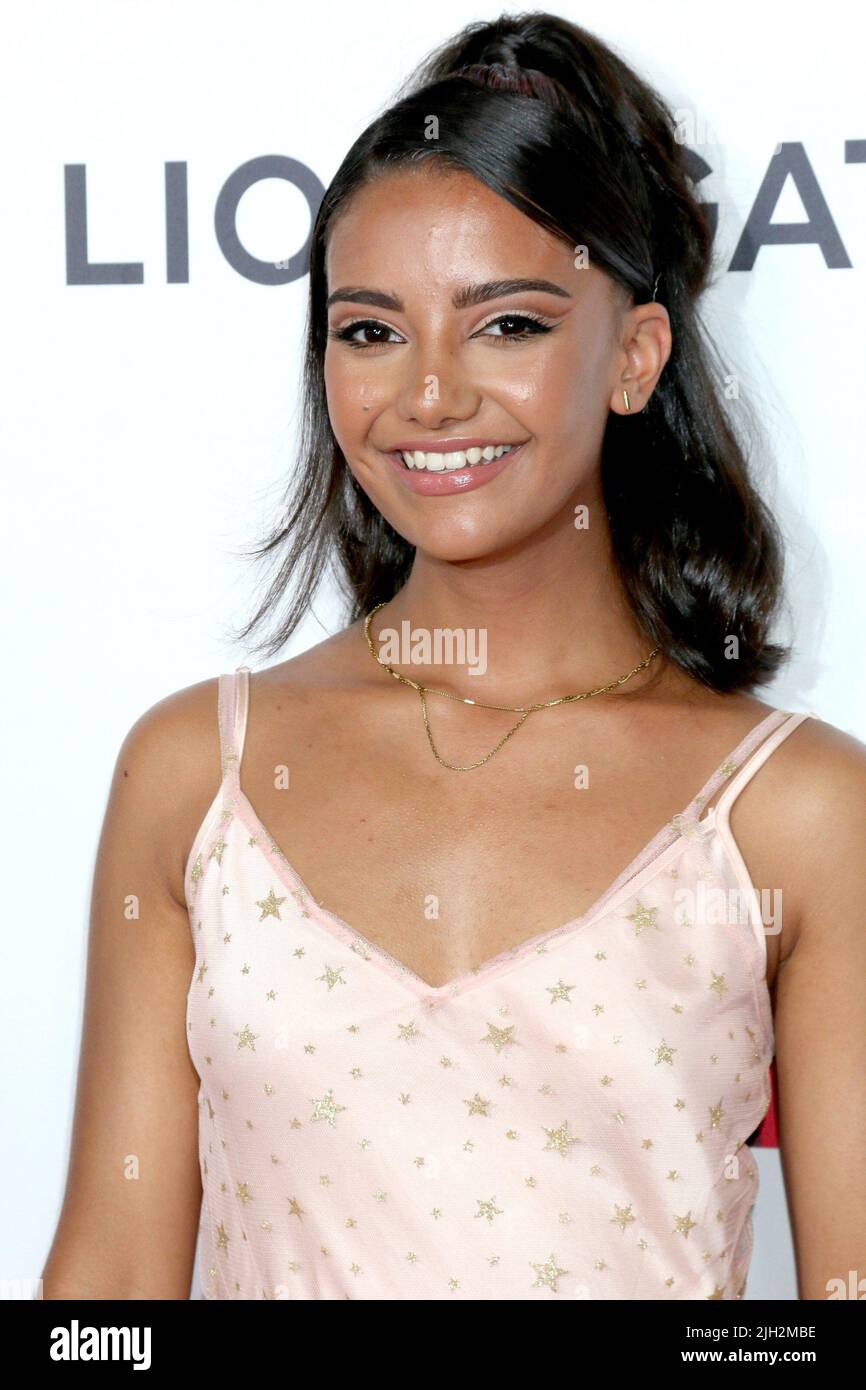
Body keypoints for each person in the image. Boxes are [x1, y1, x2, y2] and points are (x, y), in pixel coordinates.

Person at [42, 11, 866, 1301]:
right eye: (371, 331)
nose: (428, 396)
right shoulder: (197, 772)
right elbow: (103, 1302)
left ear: (635, 356)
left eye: (508, 325)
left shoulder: (798, 812)